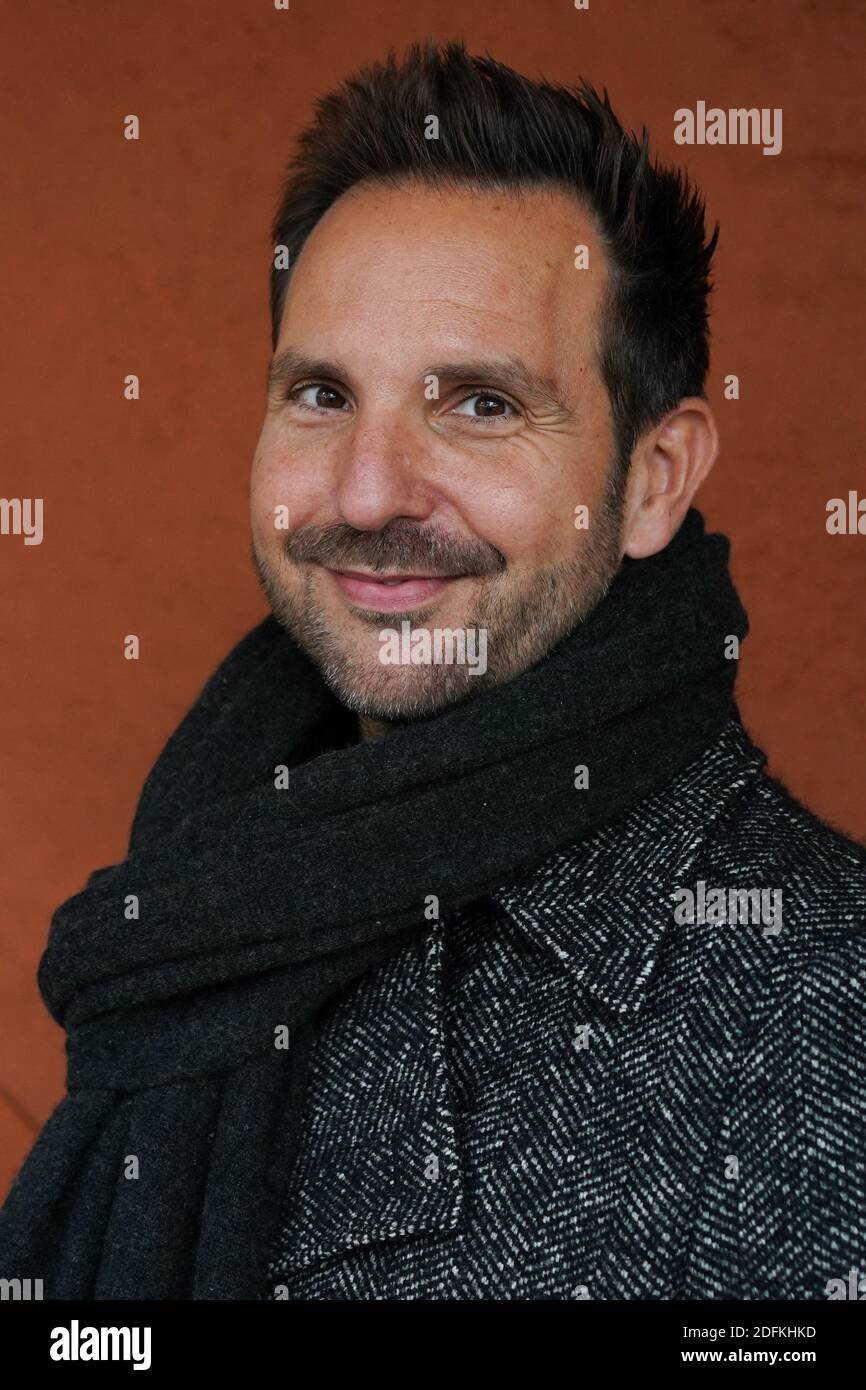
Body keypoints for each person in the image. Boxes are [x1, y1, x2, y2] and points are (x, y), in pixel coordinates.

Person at [2, 40, 864, 1302]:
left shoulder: (819, 1013)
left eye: (478, 405)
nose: (366, 490)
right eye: (319, 393)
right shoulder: (209, 870)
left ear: (650, 480)